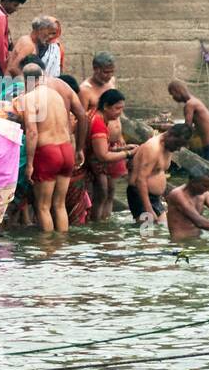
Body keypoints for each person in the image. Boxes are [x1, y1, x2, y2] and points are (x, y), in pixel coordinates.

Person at [13, 76, 76, 232]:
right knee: (60, 205)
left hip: (48, 152)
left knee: (43, 207)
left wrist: (29, 164)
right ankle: (62, 247)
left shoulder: (29, 98)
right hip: (66, 149)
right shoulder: (57, 95)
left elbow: (32, 132)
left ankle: (47, 249)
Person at [128, 123, 191, 225]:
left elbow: (158, 172)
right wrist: (148, 209)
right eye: (177, 145)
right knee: (146, 235)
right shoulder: (153, 148)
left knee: (160, 231)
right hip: (140, 195)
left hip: (155, 197)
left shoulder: (169, 146)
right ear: (171, 135)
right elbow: (140, 179)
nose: (178, 149)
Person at [86, 86, 131, 223]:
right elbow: (103, 156)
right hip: (92, 162)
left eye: (122, 108)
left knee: (107, 191)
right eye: (117, 108)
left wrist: (122, 149)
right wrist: (128, 153)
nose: (120, 113)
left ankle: (103, 222)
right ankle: (97, 224)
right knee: (102, 193)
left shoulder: (98, 117)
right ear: (106, 106)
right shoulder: (98, 122)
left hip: (96, 160)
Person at [169, 80, 209, 160]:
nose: (173, 97)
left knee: (205, 172)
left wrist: (175, 142)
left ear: (177, 91)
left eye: (172, 94)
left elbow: (187, 128)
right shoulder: (194, 101)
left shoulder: (190, 104)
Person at [7, 14, 62, 79]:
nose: (50, 37)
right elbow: (13, 68)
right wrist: (30, 83)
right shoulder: (29, 45)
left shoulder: (28, 40)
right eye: (48, 33)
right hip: (12, 84)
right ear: (41, 29)